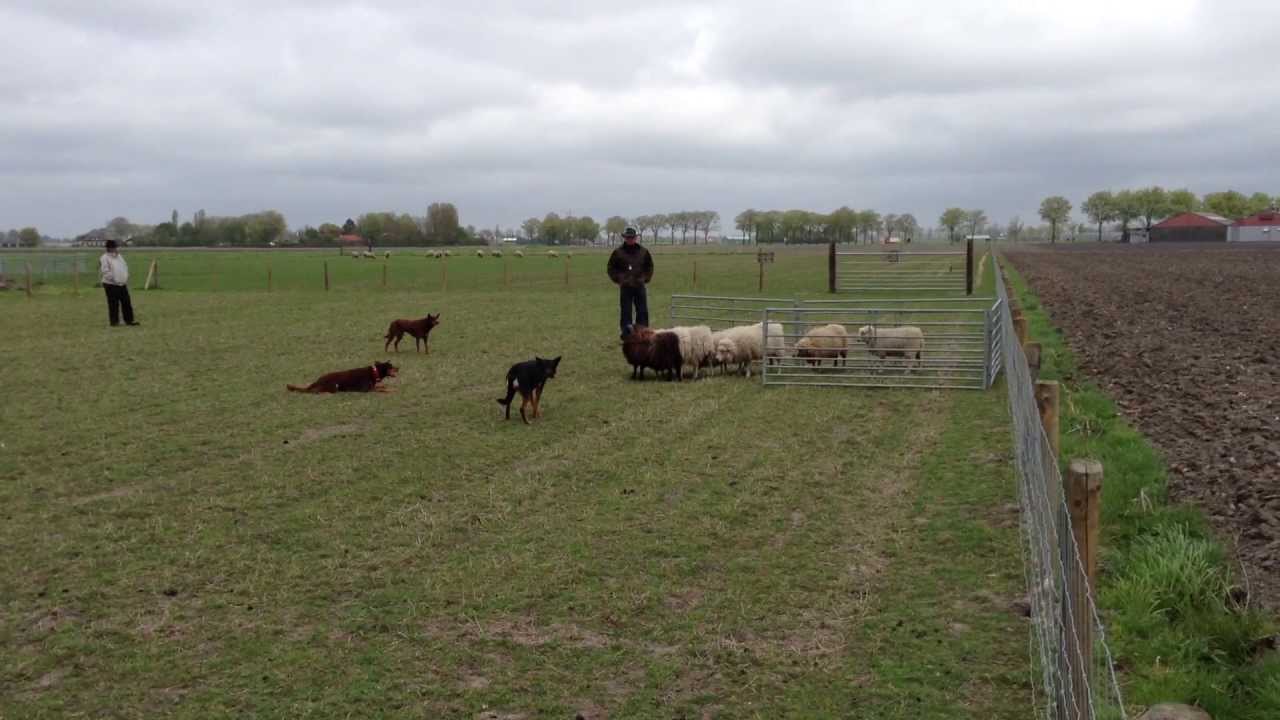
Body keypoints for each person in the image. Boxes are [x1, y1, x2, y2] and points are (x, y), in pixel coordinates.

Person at [607, 227, 654, 338]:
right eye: (628, 238)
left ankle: (643, 334)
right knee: (626, 312)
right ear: (625, 238)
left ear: (636, 238)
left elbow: (649, 266)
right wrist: (619, 279)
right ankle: (627, 335)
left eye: (632, 237)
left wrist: (645, 278)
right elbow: (611, 268)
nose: (630, 240)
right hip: (625, 287)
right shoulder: (618, 252)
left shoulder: (643, 252)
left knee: (642, 311)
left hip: (639, 286)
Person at [99, 239, 139, 326]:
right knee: (113, 304)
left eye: (116, 247)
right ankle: (114, 322)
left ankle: (129, 320)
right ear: (109, 248)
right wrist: (115, 279)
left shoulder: (119, 256)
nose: (116, 248)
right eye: (114, 247)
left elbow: (124, 266)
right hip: (111, 284)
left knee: (126, 302)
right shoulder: (104, 258)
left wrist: (125, 276)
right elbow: (105, 272)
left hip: (122, 284)